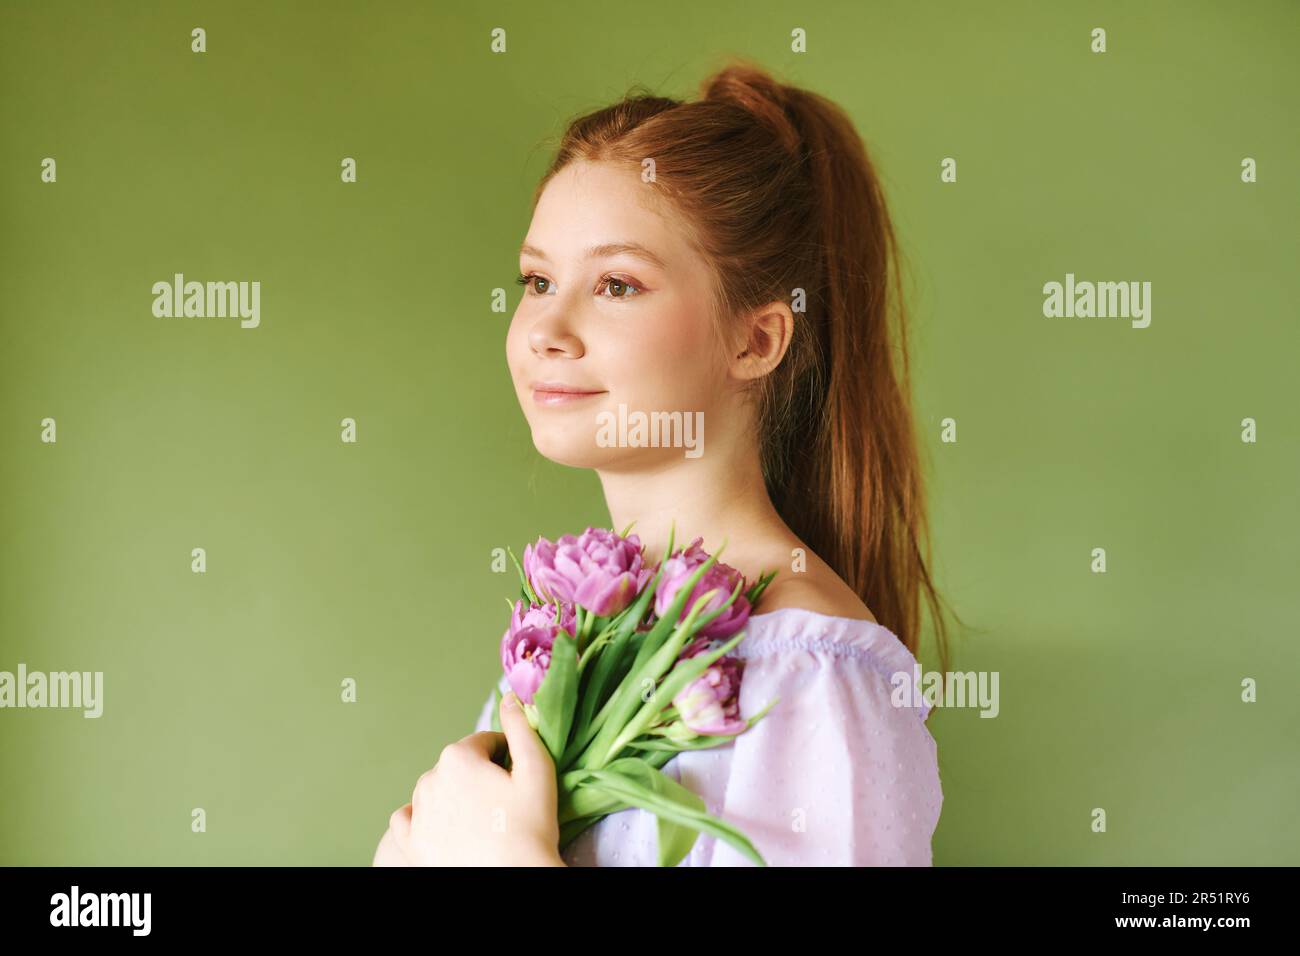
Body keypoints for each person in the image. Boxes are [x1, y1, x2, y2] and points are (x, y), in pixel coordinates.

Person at [375, 59, 957, 867]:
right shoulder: (566, 643)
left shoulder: (812, 678)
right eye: (538, 279)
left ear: (756, 339)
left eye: (616, 284)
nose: (548, 325)